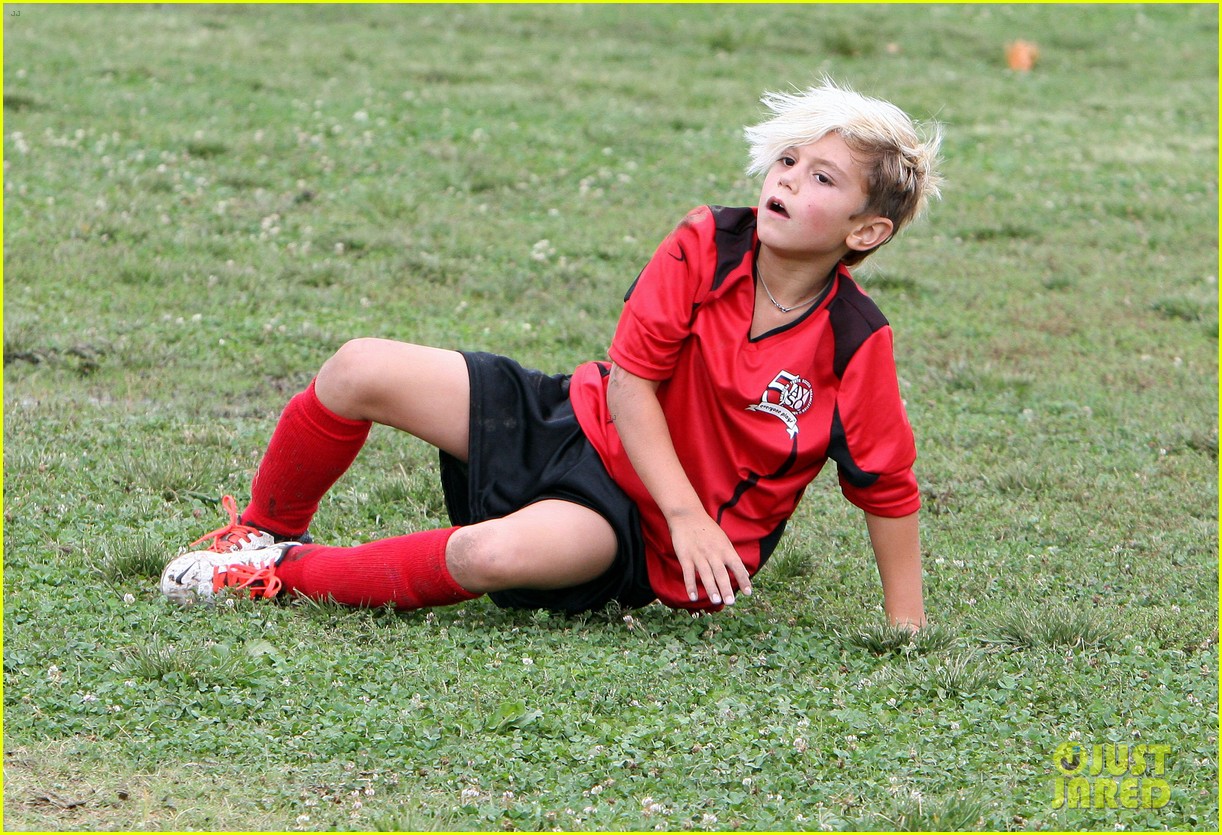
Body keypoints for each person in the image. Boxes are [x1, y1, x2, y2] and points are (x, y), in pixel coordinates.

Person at [161, 79, 942, 629]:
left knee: (485, 552)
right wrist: (680, 501)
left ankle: (276, 576)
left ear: (865, 231)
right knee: (358, 366)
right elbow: (632, 382)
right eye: (788, 162)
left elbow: (886, 485)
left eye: (822, 177)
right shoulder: (706, 241)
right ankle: (260, 531)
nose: (789, 179)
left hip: (639, 528)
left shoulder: (854, 339)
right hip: (581, 418)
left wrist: (905, 626)